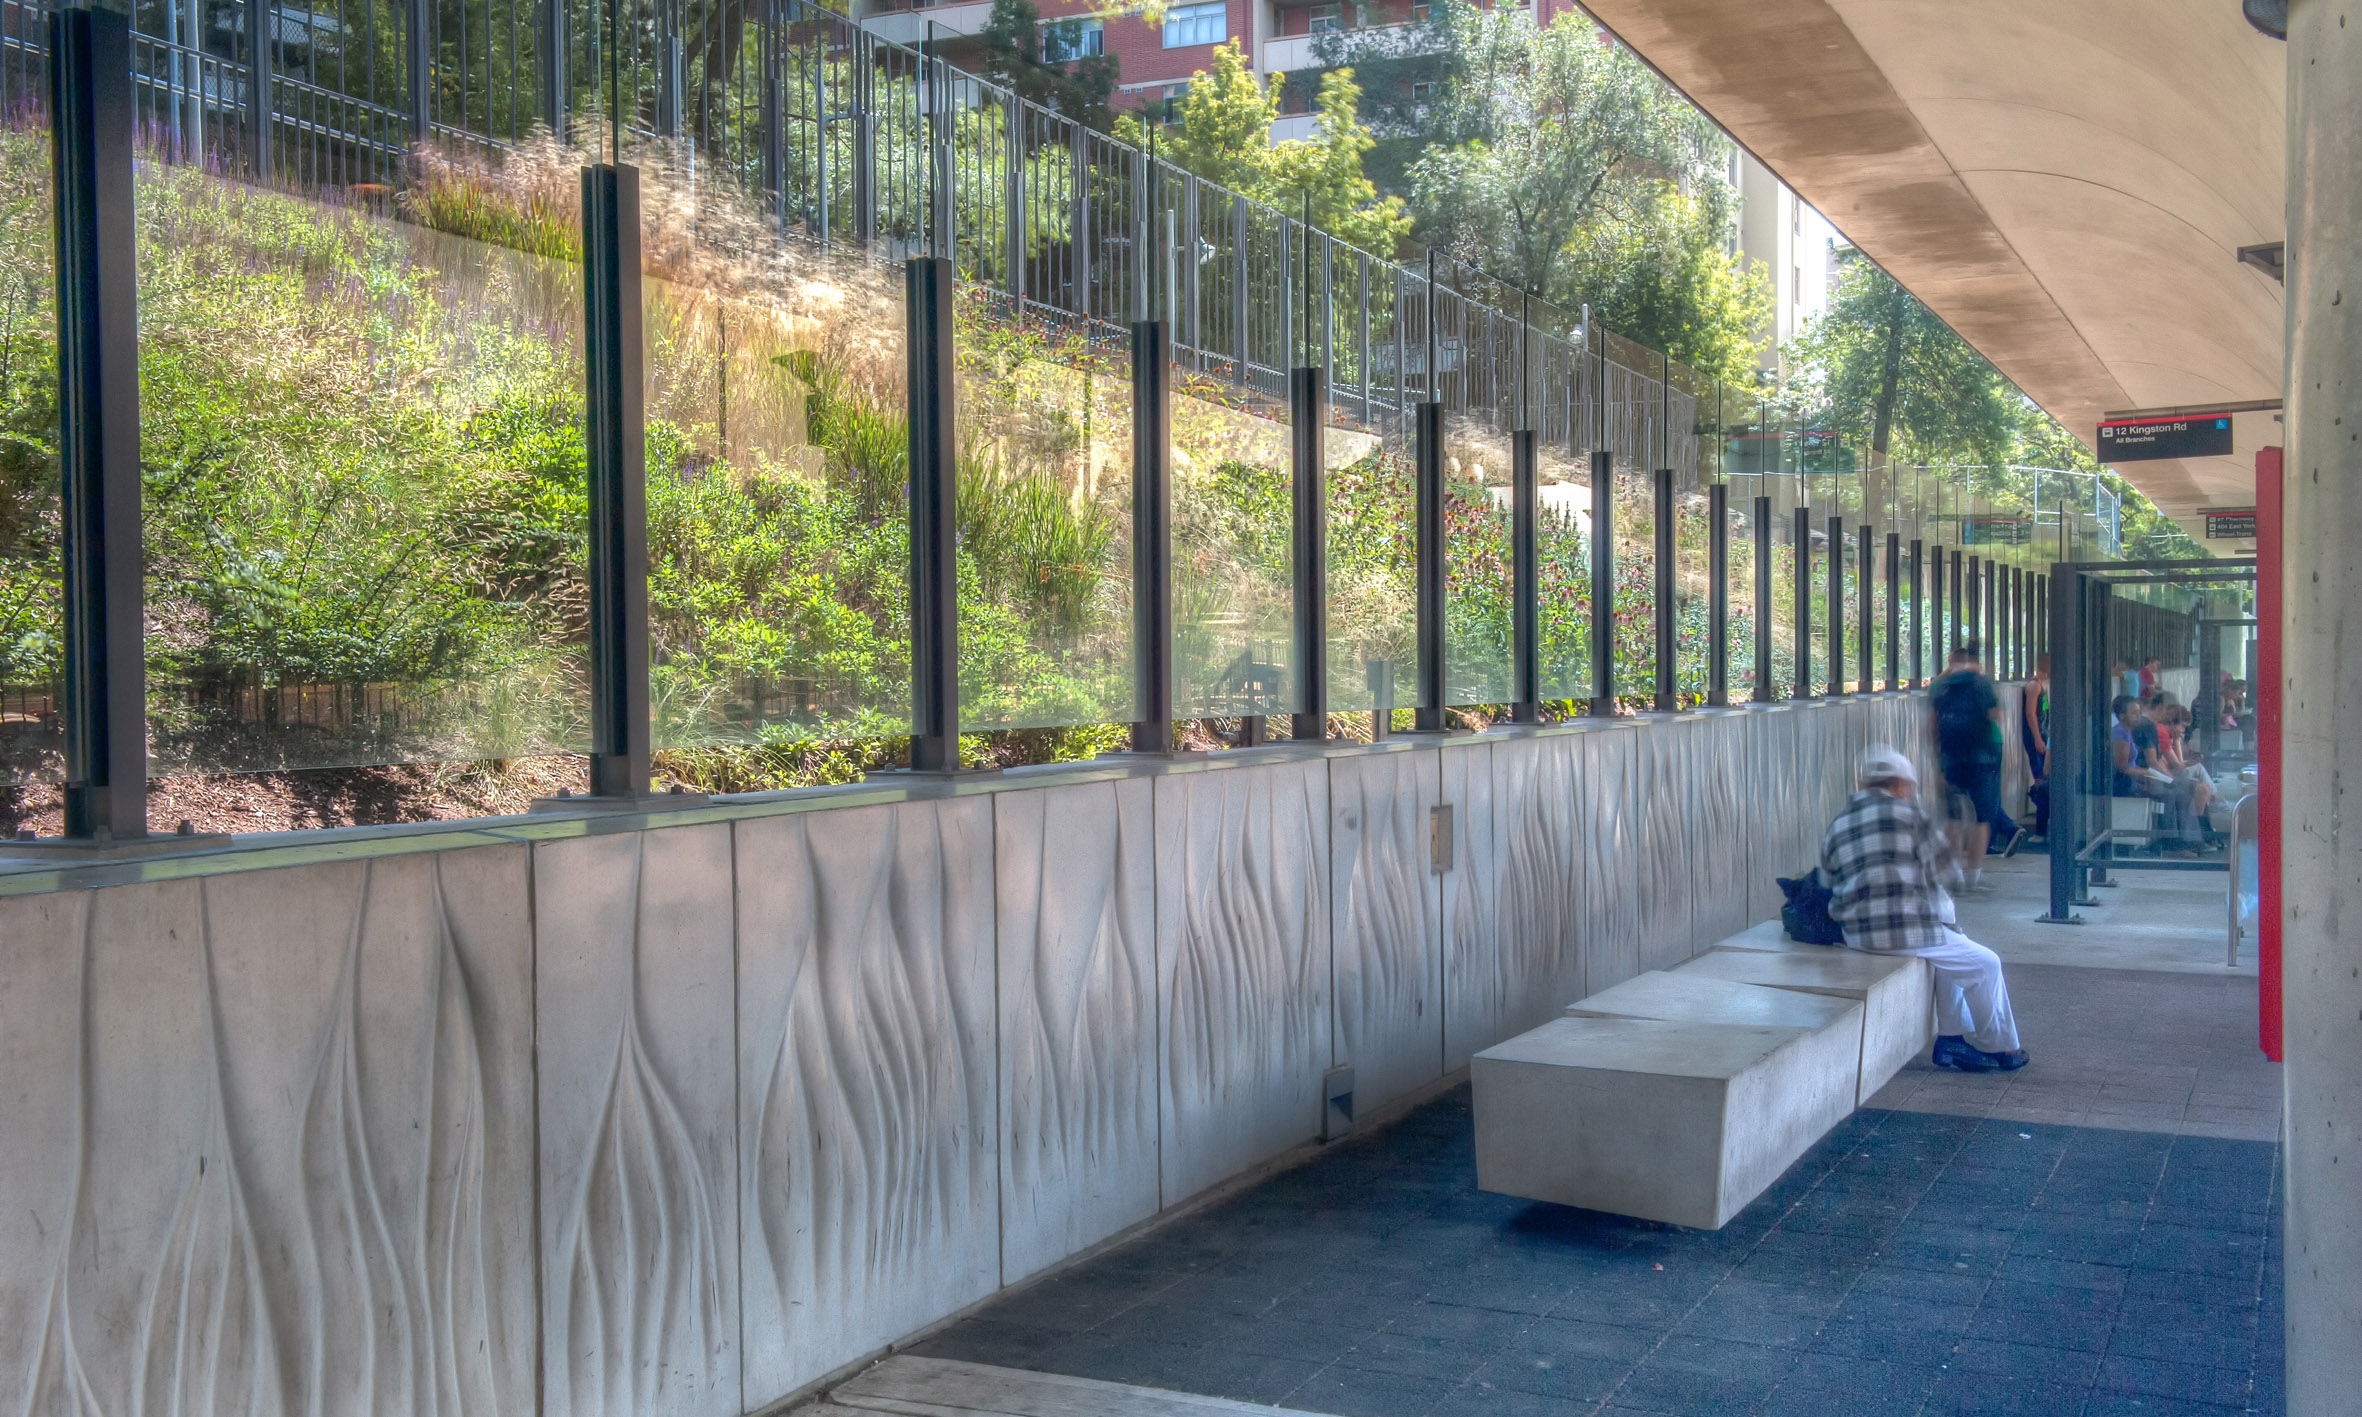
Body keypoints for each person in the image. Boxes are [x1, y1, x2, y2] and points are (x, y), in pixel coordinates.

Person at [1821, 746, 2027, 1072]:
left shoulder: (1838, 823)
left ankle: (1951, 1040)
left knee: (1950, 947)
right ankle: (2002, 1048)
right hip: (1901, 934)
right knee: (1986, 963)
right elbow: (1948, 873)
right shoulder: (1911, 817)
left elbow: (1827, 878)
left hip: (1856, 933)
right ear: (1900, 785)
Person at [1927, 642, 2023, 882]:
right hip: (1983, 756)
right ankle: (1974, 873)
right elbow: (1995, 715)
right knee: (1982, 816)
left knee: (1953, 816)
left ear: (1951, 662)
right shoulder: (1982, 683)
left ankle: (1954, 871)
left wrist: (1936, 757)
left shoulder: (1941, 686)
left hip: (1951, 756)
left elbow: (1931, 724)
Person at [2022, 653, 2051, 838]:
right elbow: (2030, 713)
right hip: (2037, 738)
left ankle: (2043, 827)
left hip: (2043, 736)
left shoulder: (2043, 685)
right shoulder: (2034, 686)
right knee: (2041, 779)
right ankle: (2040, 829)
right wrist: (2037, 738)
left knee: (2044, 778)